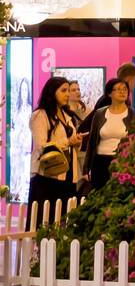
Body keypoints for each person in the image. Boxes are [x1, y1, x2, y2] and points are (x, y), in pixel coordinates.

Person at [30, 75, 82, 215]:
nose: (67, 94)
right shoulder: (40, 115)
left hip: (68, 172)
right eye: (63, 90)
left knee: (64, 216)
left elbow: (70, 143)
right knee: (46, 217)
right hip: (48, 174)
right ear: (52, 92)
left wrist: (76, 142)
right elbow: (41, 145)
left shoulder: (67, 115)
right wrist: (68, 142)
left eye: (68, 91)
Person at [82, 78, 135, 191]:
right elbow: (92, 142)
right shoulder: (100, 114)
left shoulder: (134, 115)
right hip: (100, 163)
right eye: (118, 89)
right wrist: (86, 169)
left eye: (125, 89)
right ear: (109, 93)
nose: (122, 92)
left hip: (123, 163)